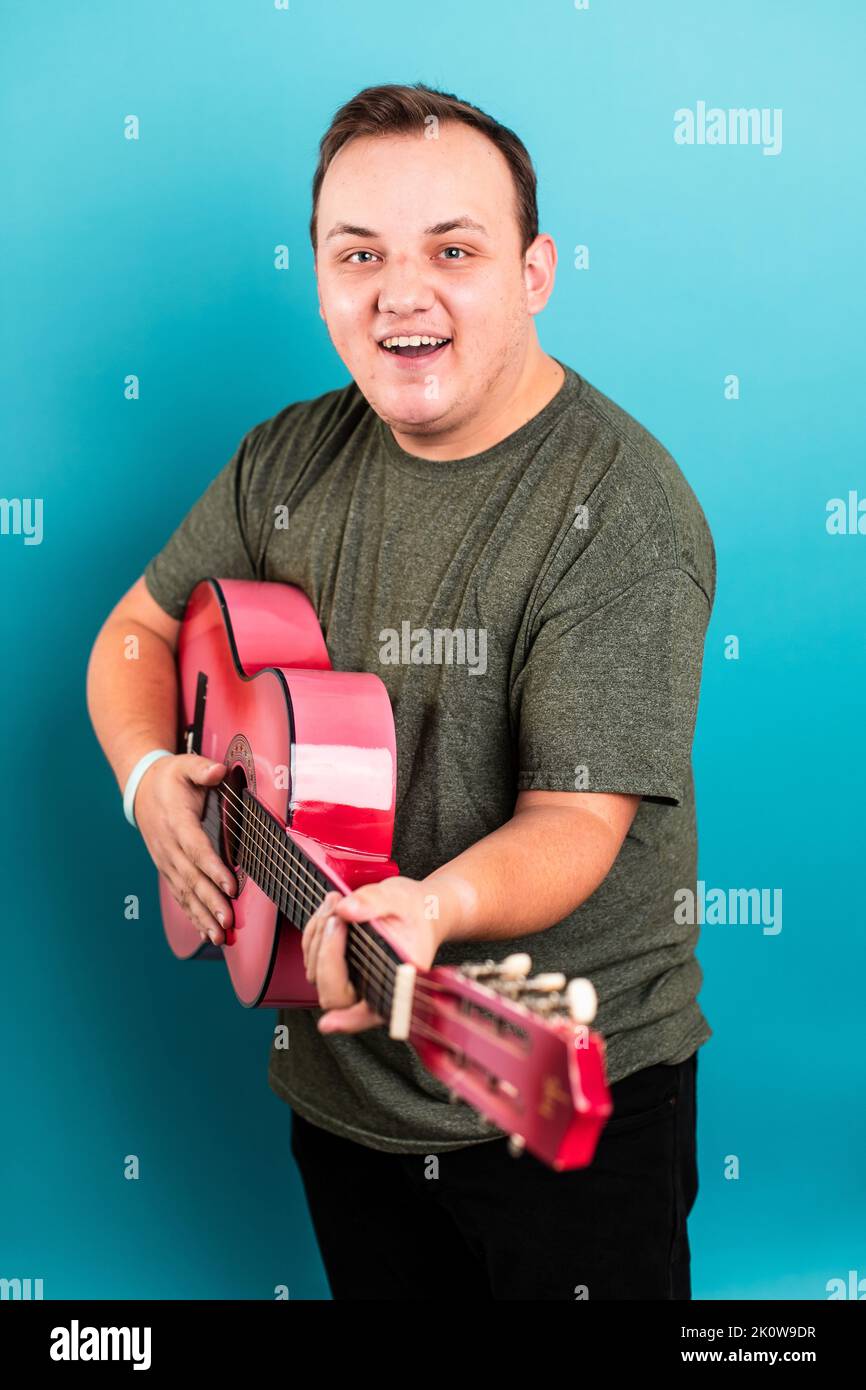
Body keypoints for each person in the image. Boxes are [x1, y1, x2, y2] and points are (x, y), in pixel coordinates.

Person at [86, 82, 715, 1301]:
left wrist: (432, 904)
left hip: (556, 1094)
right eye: (357, 253)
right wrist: (150, 778)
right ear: (318, 274)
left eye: (453, 250)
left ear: (533, 272)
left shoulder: (620, 512)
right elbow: (137, 630)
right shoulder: (290, 455)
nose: (399, 291)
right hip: (338, 1081)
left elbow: (576, 822)